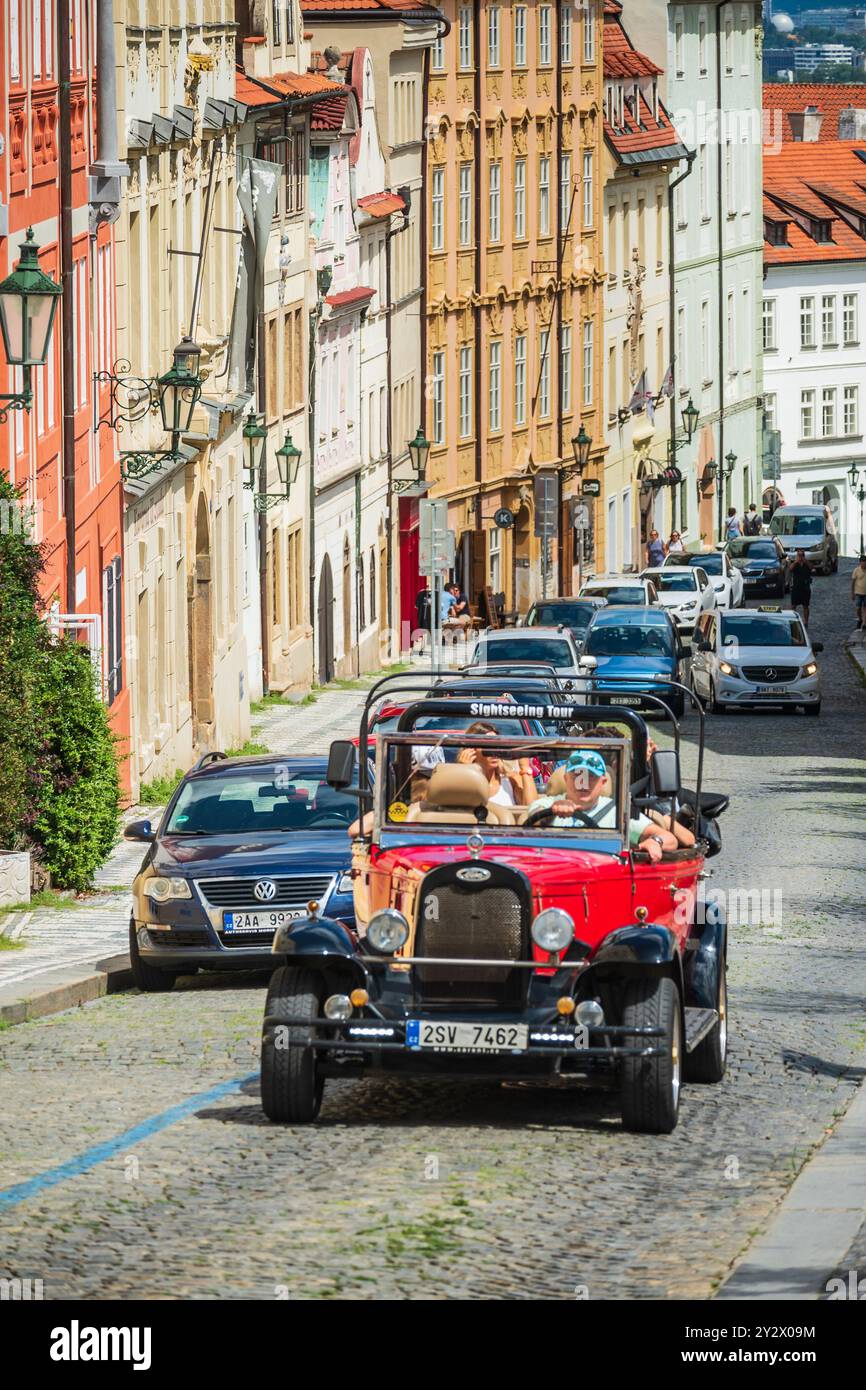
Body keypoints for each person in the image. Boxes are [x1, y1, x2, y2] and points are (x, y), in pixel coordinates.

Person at [525, 749, 683, 862]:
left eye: (591, 776)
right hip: (551, 874)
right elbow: (534, 820)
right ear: (566, 779)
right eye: (577, 775)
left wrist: (656, 842)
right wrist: (552, 812)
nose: (584, 783)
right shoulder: (545, 804)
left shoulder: (616, 812)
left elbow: (670, 839)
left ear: (603, 782)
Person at [455, 722, 537, 808]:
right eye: (487, 745)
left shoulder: (511, 780)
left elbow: (533, 810)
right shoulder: (460, 781)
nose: (494, 750)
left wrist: (525, 768)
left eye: (497, 745)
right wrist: (464, 773)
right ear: (471, 749)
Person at [788, 548, 813, 627]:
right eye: (799, 555)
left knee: (805, 606)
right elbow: (790, 569)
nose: (801, 557)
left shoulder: (807, 563)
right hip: (796, 587)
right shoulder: (795, 564)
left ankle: (806, 622)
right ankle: (793, 621)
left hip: (805, 588)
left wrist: (805, 561)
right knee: (793, 605)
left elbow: (812, 568)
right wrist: (796, 561)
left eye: (802, 555)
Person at [852, 554, 866, 629]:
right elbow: (853, 582)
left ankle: (864, 623)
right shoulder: (856, 570)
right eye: (863, 562)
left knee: (865, 608)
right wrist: (852, 593)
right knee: (858, 608)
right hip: (858, 593)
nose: (864, 564)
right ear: (860, 562)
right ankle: (860, 619)